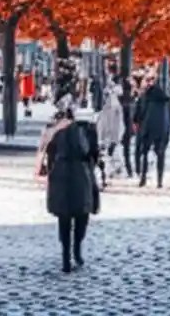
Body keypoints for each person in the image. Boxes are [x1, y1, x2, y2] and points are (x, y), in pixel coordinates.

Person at [41, 103, 99, 273]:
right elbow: (93, 153)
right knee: (82, 215)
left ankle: (66, 256)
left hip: (61, 177)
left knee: (64, 220)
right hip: (81, 175)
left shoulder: (56, 133)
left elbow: (48, 155)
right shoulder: (88, 131)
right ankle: (77, 250)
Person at [134, 76, 170, 189]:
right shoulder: (166, 100)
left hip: (148, 127)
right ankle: (159, 180)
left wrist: (137, 122)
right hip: (162, 128)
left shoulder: (146, 97)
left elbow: (140, 113)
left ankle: (143, 178)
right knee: (161, 154)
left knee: (145, 153)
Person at [95, 81, 123, 187]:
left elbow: (108, 122)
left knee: (106, 156)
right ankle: (106, 176)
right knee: (108, 156)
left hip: (109, 134)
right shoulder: (115, 106)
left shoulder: (110, 106)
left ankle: (105, 176)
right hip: (111, 135)